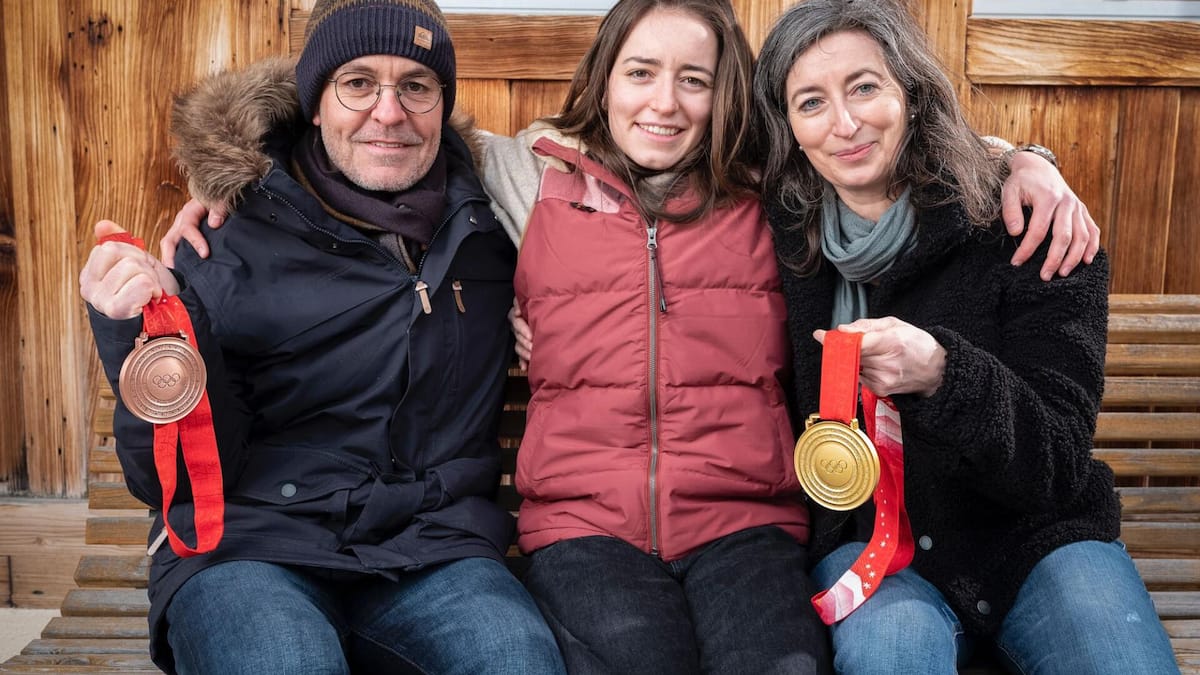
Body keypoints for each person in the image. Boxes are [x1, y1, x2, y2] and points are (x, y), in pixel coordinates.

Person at [158, 0, 1100, 672]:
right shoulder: (524, 176)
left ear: (725, 92)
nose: (665, 102)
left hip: (748, 520)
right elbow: (381, 134)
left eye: (695, 78)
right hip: (583, 521)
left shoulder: (772, 190)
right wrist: (239, 178)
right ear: (602, 79)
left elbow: (873, 144)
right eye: (641, 72)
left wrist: (1024, 160)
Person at [78, 1, 566, 673]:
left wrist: (559, 321)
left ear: (442, 102)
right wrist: (135, 328)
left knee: (517, 658)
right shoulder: (227, 234)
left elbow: (621, 159)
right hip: (252, 551)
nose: (389, 112)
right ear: (313, 102)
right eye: (357, 83)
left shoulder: (490, 222)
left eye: (416, 86)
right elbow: (179, 476)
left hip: (431, 549)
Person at [752, 1, 1179, 673]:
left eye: (865, 87)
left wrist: (945, 374)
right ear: (788, 127)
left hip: (1037, 541)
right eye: (811, 102)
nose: (844, 123)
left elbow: (1059, 461)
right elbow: (621, 141)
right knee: (892, 655)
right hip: (874, 545)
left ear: (912, 95)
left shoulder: (1029, 225)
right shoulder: (778, 232)